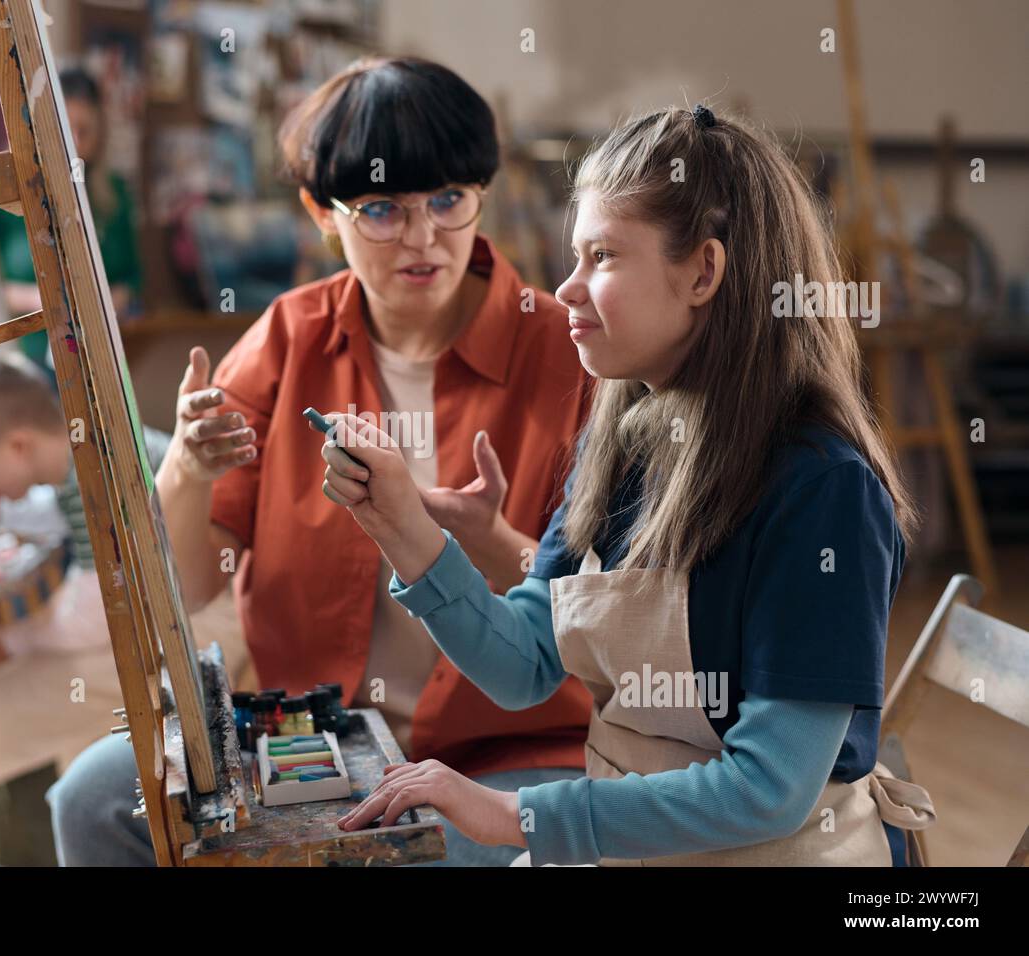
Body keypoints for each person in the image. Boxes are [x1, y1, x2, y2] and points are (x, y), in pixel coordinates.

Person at [316, 105, 937, 866]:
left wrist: (511, 815)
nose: (567, 289)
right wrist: (400, 526)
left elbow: (771, 789)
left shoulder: (823, 491)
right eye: (574, 258)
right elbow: (522, 667)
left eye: (601, 256)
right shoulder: (625, 446)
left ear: (704, 272)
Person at [48, 57, 593, 867]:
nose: (422, 237)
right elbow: (190, 584)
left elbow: (605, 613)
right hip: (319, 740)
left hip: (508, 753)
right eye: (380, 209)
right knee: (93, 799)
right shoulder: (287, 338)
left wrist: (493, 541)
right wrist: (190, 472)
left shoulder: (566, 352)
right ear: (321, 213)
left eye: (448, 200)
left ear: (484, 191)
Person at [0, 352, 168, 806]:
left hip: (187, 621)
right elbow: (59, 515)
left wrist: (8, 641)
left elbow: (92, 620)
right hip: (183, 603)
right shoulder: (89, 447)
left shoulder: (89, 480)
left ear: (18, 446)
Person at [0, 67, 142, 372]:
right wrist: (41, 301)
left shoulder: (115, 195)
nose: (76, 143)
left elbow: (131, 278)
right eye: (65, 129)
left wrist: (100, 305)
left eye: (86, 131)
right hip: (18, 360)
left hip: (95, 358)